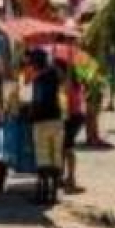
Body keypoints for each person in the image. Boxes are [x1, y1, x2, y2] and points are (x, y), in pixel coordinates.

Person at [29, 49, 63, 205]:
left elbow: (38, 101)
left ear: (36, 64)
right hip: (57, 119)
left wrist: (30, 113)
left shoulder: (39, 80)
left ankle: (43, 193)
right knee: (55, 156)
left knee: (43, 157)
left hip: (41, 121)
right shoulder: (56, 75)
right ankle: (54, 194)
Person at [61, 60, 86, 192]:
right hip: (77, 117)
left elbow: (64, 103)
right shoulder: (78, 83)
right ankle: (67, 177)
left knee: (67, 148)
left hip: (72, 118)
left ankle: (70, 178)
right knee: (65, 148)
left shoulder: (68, 83)